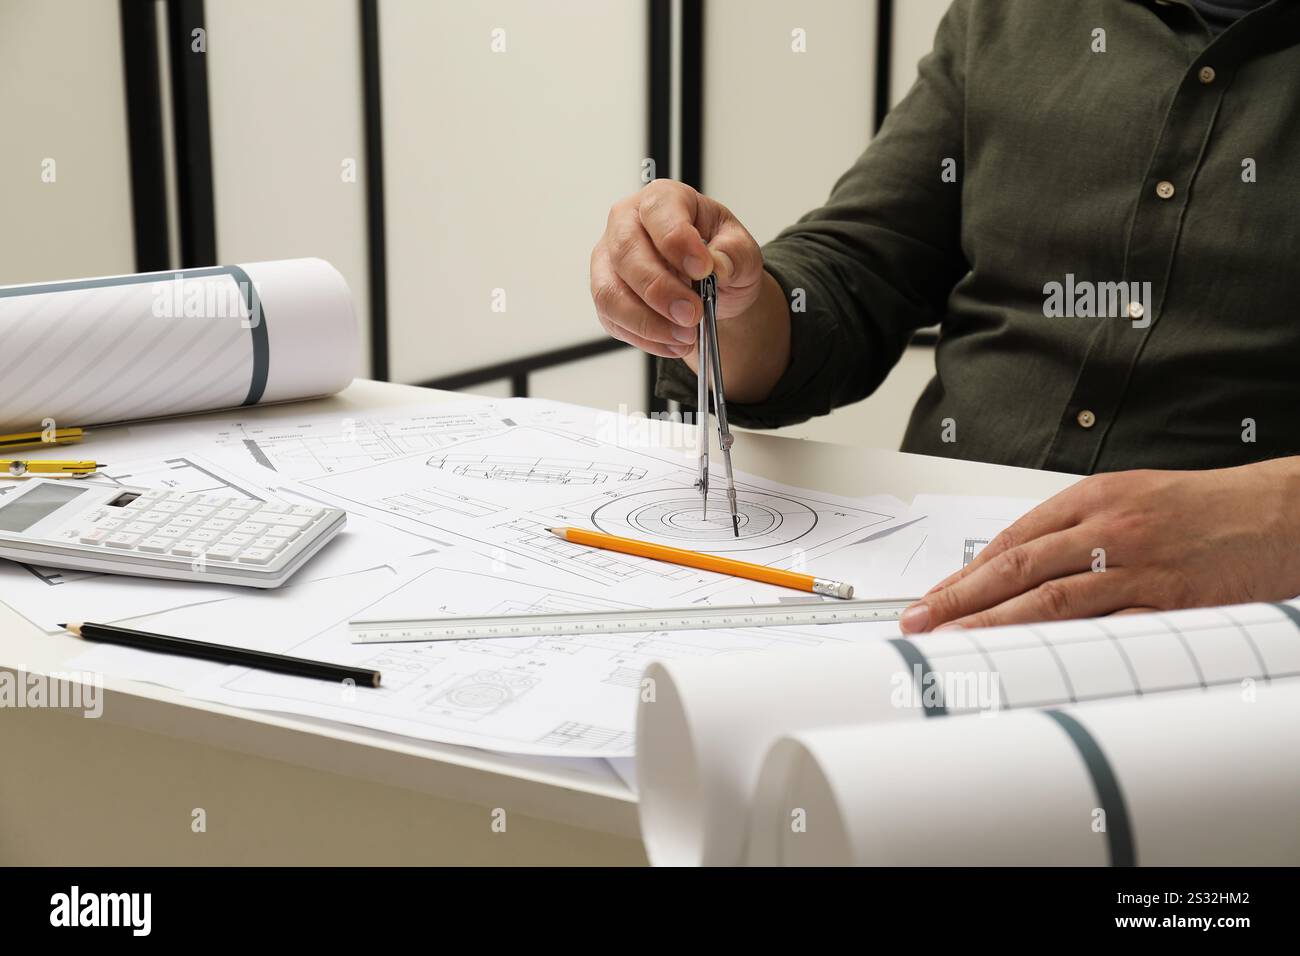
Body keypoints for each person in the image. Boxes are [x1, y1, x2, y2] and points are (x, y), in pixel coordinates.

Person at [589, 0, 1300, 633]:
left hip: (1228, 632)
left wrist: (1279, 521)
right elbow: (859, 272)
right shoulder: (1009, 16)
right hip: (925, 576)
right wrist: (723, 303)